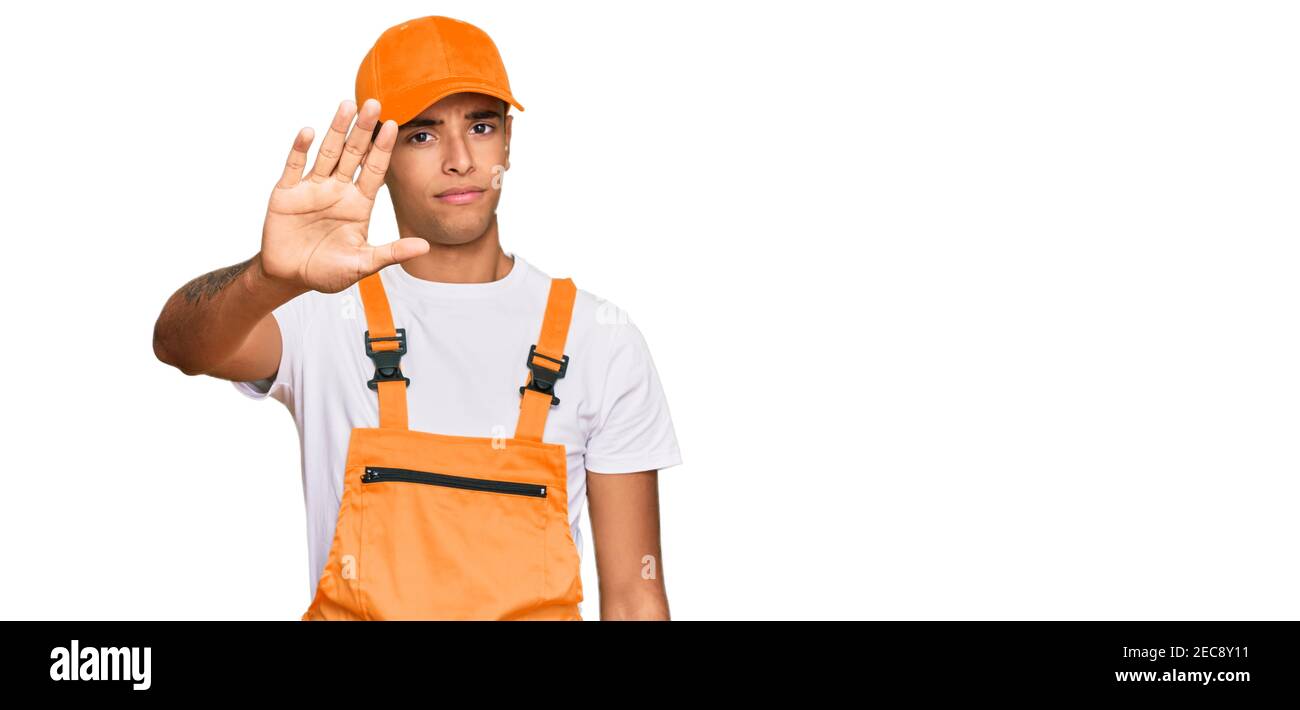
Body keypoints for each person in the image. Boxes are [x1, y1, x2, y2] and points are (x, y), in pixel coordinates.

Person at [152, 15, 681, 620]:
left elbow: (636, 594)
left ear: (508, 141)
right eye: (423, 135)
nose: (459, 160)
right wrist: (268, 278)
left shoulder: (599, 340)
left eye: (480, 126)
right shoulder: (324, 317)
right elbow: (178, 343)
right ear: (377, 152)